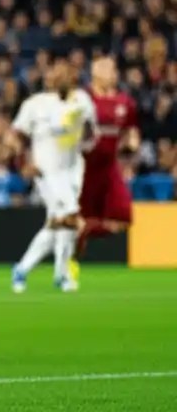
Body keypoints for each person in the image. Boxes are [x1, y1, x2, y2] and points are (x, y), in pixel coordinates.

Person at [9, 57, 98, 293]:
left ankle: (24, 269)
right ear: (47, 78)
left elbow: (91, 133)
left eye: (63, 71)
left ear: (73, 76)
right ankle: (60, 274)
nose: (57, 76)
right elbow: (15, 135)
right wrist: (23, 162)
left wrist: (86, 135)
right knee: (68, 216)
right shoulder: (34, 104)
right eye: (53, 72)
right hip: (47, 170)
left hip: (73, 167)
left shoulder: (83, 100)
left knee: (58, 223)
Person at [71, 56, 138, 278]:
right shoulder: (82, 99)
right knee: (71, 222)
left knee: (124, 219)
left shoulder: (125, 102)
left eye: (115, 69)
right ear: (96, 72)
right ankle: (69, 261)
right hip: (84, 168)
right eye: (110, 69)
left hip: (110, 167)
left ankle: (85, 229)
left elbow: (131, 131)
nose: (115, 73)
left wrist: (131, 149)